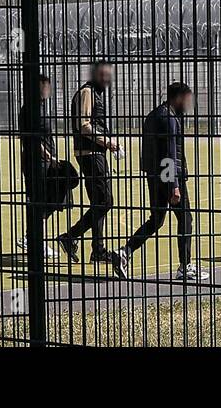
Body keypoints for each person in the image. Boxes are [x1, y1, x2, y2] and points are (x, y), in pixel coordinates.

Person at [113, 82, 207, 281]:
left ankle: (125, 251)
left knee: (156, 219)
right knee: (185, 219)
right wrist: (173, 185)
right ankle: (185, 266)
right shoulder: (169, 118)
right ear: (178, 97)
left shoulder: (153, 115)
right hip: (169, 174)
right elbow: (170, 153)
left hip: (154, 174)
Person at [56, 61, 121, 268]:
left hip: (93, 152)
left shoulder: (95, 93)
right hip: (90, 153)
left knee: (98, 202)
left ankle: (98, 250)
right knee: (105, 201)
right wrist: (107, 141)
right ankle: (71, 235)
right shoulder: (87, 92)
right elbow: (84, 125)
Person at [15, 75, 65, 258]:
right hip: (38, 163)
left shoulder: (42, 108)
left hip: (44, 162)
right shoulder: (30, 110)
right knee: (42, 202)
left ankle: (32, 238)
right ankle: (36, 241)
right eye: (46, 86)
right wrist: (49, 156)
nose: (48, 90)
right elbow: (31, 139)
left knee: (50, 200)